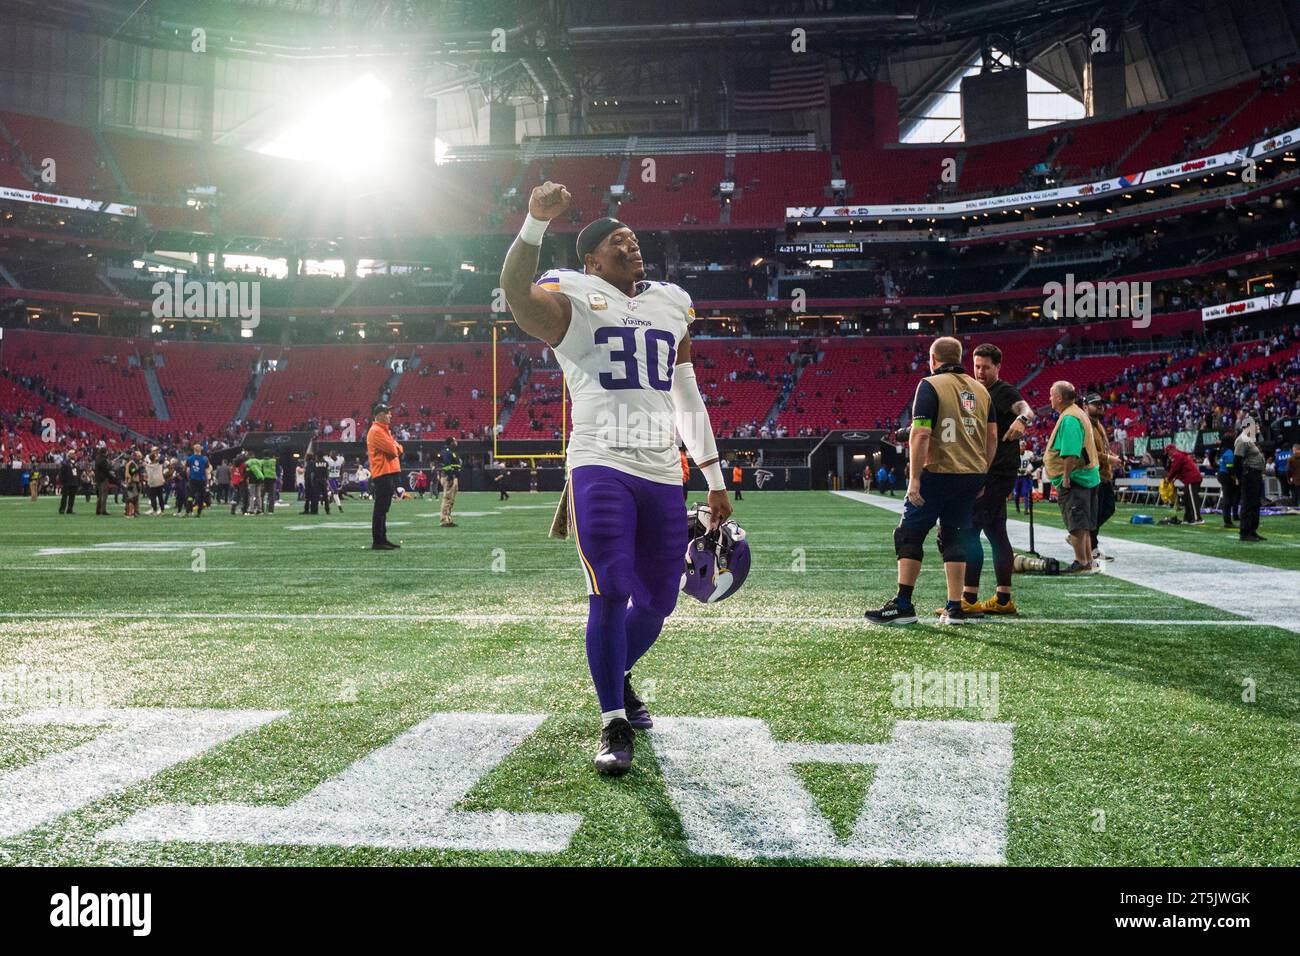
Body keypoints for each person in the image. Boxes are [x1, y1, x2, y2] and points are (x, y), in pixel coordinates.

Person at [500, 186, 732, 775]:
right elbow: (517, 298)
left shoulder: (672, 302)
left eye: (632, 236)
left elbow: (685, 392)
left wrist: (713, 473)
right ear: (592, 262)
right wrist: (534, 222)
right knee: (611, 585)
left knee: (658, 601)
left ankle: (618, 674)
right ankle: (612, 720)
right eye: (614, 241)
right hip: (600, 459)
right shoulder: (573, 293)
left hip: (660, 469)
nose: (629, 242)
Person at [865, 336, 994, 626]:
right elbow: (992, 436)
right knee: (953, 535)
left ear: (933, 360)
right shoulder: (982, 391)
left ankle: (903, 605)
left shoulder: (930, 385)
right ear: (960, 359)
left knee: (908, 534)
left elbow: (921, 433)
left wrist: (913, 479)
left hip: (938, 471)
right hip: (971, 473)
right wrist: (982, 471)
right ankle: (955, 607)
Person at [959, 343, 1035, 617]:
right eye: (977, 366)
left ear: (998, 367)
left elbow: (1026, 408)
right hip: (993, 470)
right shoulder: (976, 390)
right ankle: (1003, 599)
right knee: (996, 533)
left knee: (969, 531)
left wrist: (1022, 421)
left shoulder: (1003, 391)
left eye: (986, 367)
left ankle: (968, 597)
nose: (980, 371)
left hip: (995, 470)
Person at [1044, 381, 1100, 573]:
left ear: (1059, 397)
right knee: (1083, 523)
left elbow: (1070, 453)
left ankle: (1080, 561)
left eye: (1051, 395)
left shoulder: (1069, 418)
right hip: (1087, 476)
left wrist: (1066, 478)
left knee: (1076, 523)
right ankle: (1087, 560)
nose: (1049, 398)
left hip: (1076, 478)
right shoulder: (1078, 413)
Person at [1085, 394, 1121, 561]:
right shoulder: (1086, 425)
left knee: (1107, 509)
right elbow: (1088, 451)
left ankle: (1084, 536)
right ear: (1085, 406)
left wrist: (1114, 456)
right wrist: (1109, 459)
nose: (1100, 406)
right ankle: (1090, 545)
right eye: (1095, 404)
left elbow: (1104, 449)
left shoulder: (1098, 424)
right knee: (1097, 511)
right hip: (1094, 475)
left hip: (1104, 475)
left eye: (1101, 404)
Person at [367, 402, 403, 549]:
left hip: (386, 472)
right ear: (380, 415)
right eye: (388, 412)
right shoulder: (377, 431)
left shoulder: (383, 431)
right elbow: (394, 451)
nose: (390, 415)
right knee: (381, 508)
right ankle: (378, 540)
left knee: (383, 508)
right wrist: (396, 446)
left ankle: (382, 538)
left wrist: (395, 446)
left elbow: (397, 448)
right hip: (382, 473)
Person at [1235, 417, 1266, 541]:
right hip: (1249, 475)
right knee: (1248, 504)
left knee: (1255, 503)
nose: (1257, 428)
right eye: (1255, 426)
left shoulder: (1249, 440)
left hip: (1255, 475)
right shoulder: (1242, 440)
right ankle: (1245, 532)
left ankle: (1252, 530)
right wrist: (1239, 478)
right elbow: (1237, 460)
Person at [1164, 444, 1204, 525]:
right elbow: (1178, 470)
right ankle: (1188, 518)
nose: (1168, 455)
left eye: (1168, 452)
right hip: (1189, 479)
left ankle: (1197, 519)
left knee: (1192, 499)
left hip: (1192, 479)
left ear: (1171, 450)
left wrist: (1168, 479)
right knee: (1187, 498)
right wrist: (1172, 479)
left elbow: (1175, 468)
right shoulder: (1180, 455)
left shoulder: (1177, 456)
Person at [1217, 429, 1239, 528]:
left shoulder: (1223, 451)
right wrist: (1234, 477)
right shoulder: (1229, 452)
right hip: (1226, 475)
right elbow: (1230, 466)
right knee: (1228, 499)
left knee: (1228, 498)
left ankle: (1227, 520)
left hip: (1222, 475)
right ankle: (1227, 521)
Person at [439, 436, 461, 527]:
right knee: (447, 499)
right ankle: (444, 520)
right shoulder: (446, 452)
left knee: (451, 500)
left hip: (453, 477)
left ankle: (448, 519)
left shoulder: (451, 452)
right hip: (449, 477)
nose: (456, 442)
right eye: (455, 440)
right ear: (451, 442)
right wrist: (451, 476)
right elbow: (446, 465)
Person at [184, 443, 210, 517]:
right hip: (201, 480)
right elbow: (206, 471)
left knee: (190, 496)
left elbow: (188, 471)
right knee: (200, 497)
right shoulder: (204, 459)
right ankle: (198, 512)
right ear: (200, 450)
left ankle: (188, 511)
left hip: (193, 480)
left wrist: (189, 478)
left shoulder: (189, 459)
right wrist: (207, 481)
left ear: (194, 450)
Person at [145, 449, 166, 516]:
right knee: (160, 497)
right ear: (154, 458)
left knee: (153, 498)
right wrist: (157, 453)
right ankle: (162, 510)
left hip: (152, 483)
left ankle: (154, 510)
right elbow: (162, 458)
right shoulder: (159, 464)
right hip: (159, 482)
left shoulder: (147, 466)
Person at [93, 446, 113, 515]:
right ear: (105, 452)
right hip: (103, 479)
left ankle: (98, 510)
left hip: (98, 478)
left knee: (100, 495)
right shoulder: (104, 459)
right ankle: (103, 510)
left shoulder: (97, 458)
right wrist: (110, 465)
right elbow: (106, 469)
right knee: (104, 495)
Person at [123, 450, 142, 518]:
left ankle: (131, 512)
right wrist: (138, 468)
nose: (139, 458)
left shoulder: (130, 463)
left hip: (130, 481)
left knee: (132, 498)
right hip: (132, 482)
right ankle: (130, 513)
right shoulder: (132, 463)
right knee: (131, 498)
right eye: (138, 456)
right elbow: (132, 471)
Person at [1288, 443, 1300, 507]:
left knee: (1296, 494)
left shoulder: (1291, 459)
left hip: (1296, 480)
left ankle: (1296, 507)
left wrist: (1289, 478)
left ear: (1294, 449)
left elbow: (1288, 470)